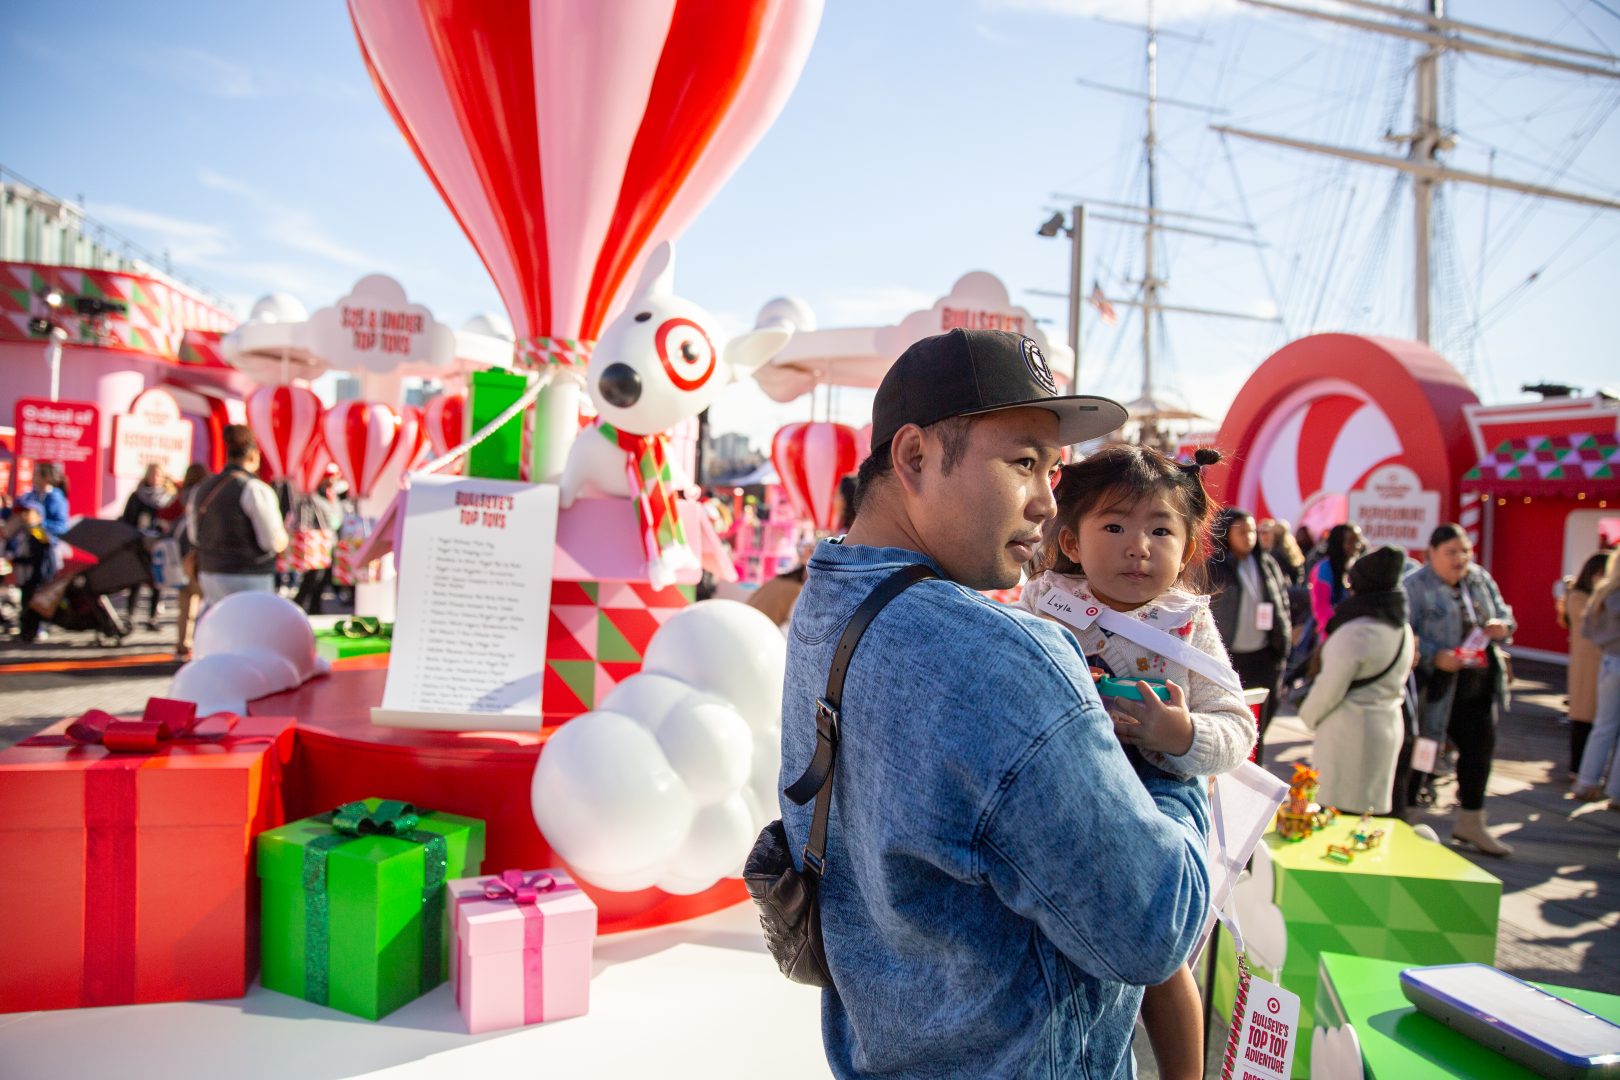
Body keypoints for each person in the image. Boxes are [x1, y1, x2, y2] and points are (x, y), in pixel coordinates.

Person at [778, 329, 1209, 1080]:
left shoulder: (828, 598)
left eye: (1053, 469)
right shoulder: (1002, 656)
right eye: (1023, 462)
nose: (1048, 502)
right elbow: (1155, 925)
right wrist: (1172, 761)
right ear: (913, 458)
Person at [1017, 445, 1252, 1080]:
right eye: (1114, 526)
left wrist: (1181, 734)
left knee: (1160, 954)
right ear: (1069, 540)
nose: (1137, 547)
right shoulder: (1038, 605)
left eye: (1159, 530)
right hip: (1065, 787)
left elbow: (1237, 725)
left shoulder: (1186, 623)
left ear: (1189, 544)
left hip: (1155, 790)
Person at [1405, 523, 1517, 856]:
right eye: (1451, 552)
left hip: (1479, 685)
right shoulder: (1415, 586)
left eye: (1464, 551)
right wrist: (1433, 654)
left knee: (1479, 752)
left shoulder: (1479, 579)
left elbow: (1506, 615)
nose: (1460, 559)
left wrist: (1502, 627)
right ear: (1432, 553)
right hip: (1436, 689)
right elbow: (1402, 635)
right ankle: (1408, 819)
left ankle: (1471, 821)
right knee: (1423, 752)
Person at [1299, 545, 1415, 814]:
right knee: (1367, 815)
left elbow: (1329, 689)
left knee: (1338, 814)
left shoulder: (1356, 632)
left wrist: (1308, 715)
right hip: (1386, 728)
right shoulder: (1402, 629)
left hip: (1348, 734)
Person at [1206, 507, 1293, 760]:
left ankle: (1257, 768)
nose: (1249, 536)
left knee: (1260, 721)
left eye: (1252, 531)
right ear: (1226, 535)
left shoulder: (1267, 564)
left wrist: (1283, 643)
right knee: (1232, 719)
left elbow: (1282, 604)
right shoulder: (1215, 567)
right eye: (1241, 531)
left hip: (1265, 655)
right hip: (1229, 657)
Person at [186, 425, 288, 605]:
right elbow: (270, 541)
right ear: (254, 455)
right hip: (248, 575)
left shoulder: (202, 488)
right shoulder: (255, 488)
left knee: (220, 627)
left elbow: (194, 536)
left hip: (209, 572)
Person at [1561, 552, 1612, 781]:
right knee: (1583, 720)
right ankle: (1577, 769)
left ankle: (1592, 771)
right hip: (1586, 665)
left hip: (1602, 663)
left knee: (1599, 722)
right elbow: (1592, 624)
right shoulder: (1578, 597)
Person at [1574, 557, 1620, 808]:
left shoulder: (1603, 592)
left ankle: (1586, 781)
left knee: (1603, 725)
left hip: (1608, 661)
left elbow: (1586, 629)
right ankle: (1616, 791)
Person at [13, 463, 71, 642]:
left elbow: (61, 527)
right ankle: (27, 625)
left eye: (37, 474)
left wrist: (38, 524)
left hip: (46, 550)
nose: (33, 477)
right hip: (26, 548)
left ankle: (39, 624)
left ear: (47, 477)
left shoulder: (55, 498)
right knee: (26, 586)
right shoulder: (29, 495)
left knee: (42, 587)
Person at [120, 463, 175, 630]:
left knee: (158, 581)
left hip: (160, 543)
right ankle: (129, 615)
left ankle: (152, 617)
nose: (155, 477)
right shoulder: (137, 496)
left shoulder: (169, 497)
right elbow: (127, 519)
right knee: (136, 579)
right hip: (139, 541)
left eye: (158, 474)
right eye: (152, 474)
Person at [286, 470, 344, 614]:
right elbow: (307, 516)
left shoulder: (332, 495)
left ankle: (314, 606)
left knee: (321, 576)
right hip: (316, 541)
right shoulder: (312, 495)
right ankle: (300, 604)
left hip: (329, 540)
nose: (333, 480)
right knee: (313, 575)